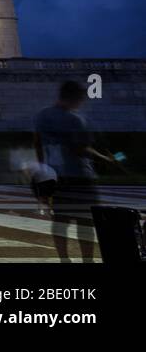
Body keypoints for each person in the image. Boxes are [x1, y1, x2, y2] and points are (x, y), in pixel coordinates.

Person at [33, 80, 117, 262]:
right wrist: (105, 158)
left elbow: (38, 144)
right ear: (76, 98)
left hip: (56, 176)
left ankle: (64, 258)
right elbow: (80, 149)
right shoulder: (75, 119)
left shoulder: (42, 116)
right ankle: (87, 259)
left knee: (60, 220)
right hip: (80, 176)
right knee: (86, 221)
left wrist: (42, 169)